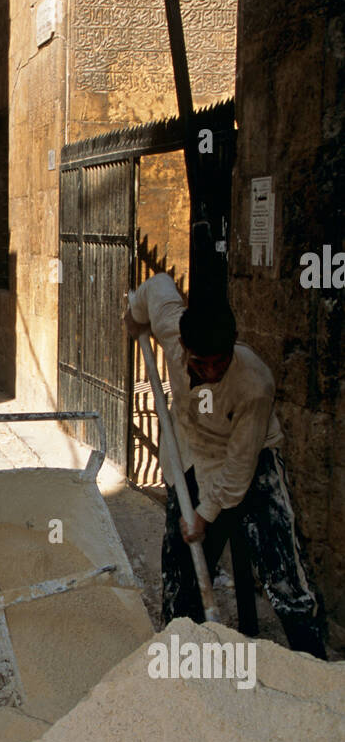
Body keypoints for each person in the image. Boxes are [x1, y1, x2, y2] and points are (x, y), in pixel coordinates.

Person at [124, 273, 326, 658]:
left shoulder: (254, 383)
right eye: (203, 364)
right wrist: (134, 316)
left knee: (284, 574)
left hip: (251, 459)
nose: (213, 371)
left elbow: (239, 466)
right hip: (190, 454)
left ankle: (313, 665)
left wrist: (204, 514)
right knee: (182, 577)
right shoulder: (172, 328)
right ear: (183, 345)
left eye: (222, 362)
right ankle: (182, 657)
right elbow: (156, 286)